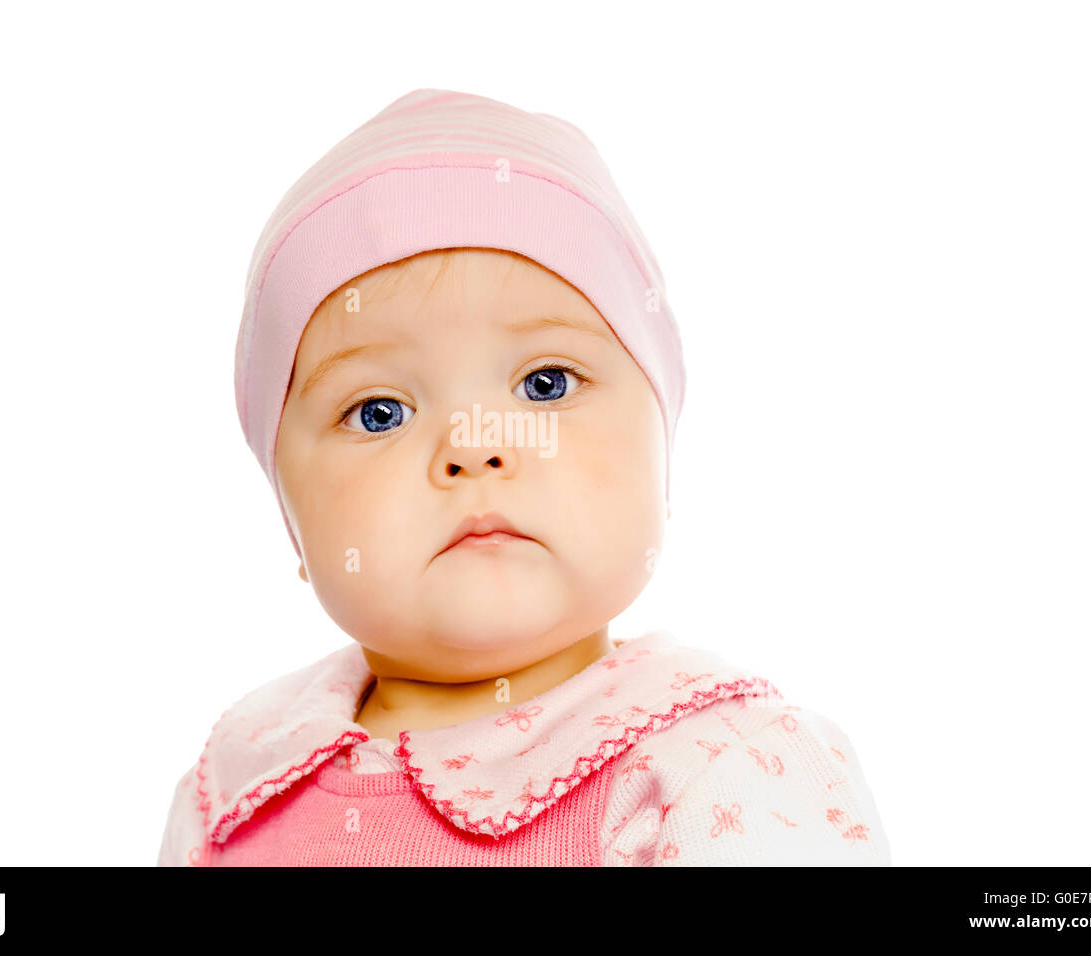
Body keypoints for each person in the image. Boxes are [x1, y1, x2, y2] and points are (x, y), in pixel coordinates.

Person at [158, 88, 890, 866]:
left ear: (661, 455)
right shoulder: (235, 787)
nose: (475, 448)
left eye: (545, 384)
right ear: (291, 518)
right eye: (378, 412)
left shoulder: (721, 772)